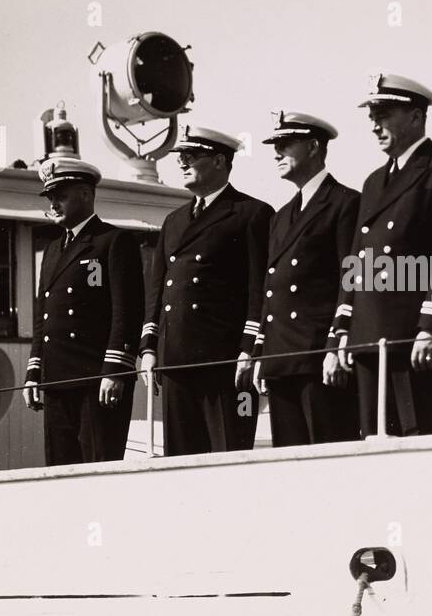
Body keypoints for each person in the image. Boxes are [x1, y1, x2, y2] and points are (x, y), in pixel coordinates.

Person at [329, 73, 432, 437]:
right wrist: (342, 328)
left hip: (413, 337)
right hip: (369, 336)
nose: (375, 127)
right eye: (372, 118)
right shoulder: (373, 181)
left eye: (385, 116)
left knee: (420, 439)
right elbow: (356, 261)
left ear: (415, 116)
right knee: (374, 442)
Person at [138, 127, 272, 454]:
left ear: (218, 161)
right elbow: (157, 293)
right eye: (180, 157)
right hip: (176, 362)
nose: (182, 163)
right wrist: (149, 348)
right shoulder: (174, 221)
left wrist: (249, 350)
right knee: (179, 463)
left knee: (230, 455)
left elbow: (260, 291)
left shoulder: (251, 213)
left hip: (225, 363)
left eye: (191, 156)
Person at [22, 155, 144, 464]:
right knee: (60, 471)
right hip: (57, 380)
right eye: (50, 197)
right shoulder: (51, 251)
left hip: (96, 380)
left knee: (98, 465)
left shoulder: (113, 241)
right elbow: (43, 317)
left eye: (61, 196)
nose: (54, 204)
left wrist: (115, 370)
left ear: (86, 194)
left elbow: (126, 311)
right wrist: (34, 373)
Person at [252, 111, 361, 447]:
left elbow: (352, 278)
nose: (277, 153)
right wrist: (262, 352)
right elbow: (271, 289)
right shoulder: (282, 215)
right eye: (276, 145)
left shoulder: (346, 202)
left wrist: (336, 345)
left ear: (313, 146)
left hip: (319, 358)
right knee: (289, 464)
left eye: (286, 145)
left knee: (328, 458)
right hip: (281, 358)